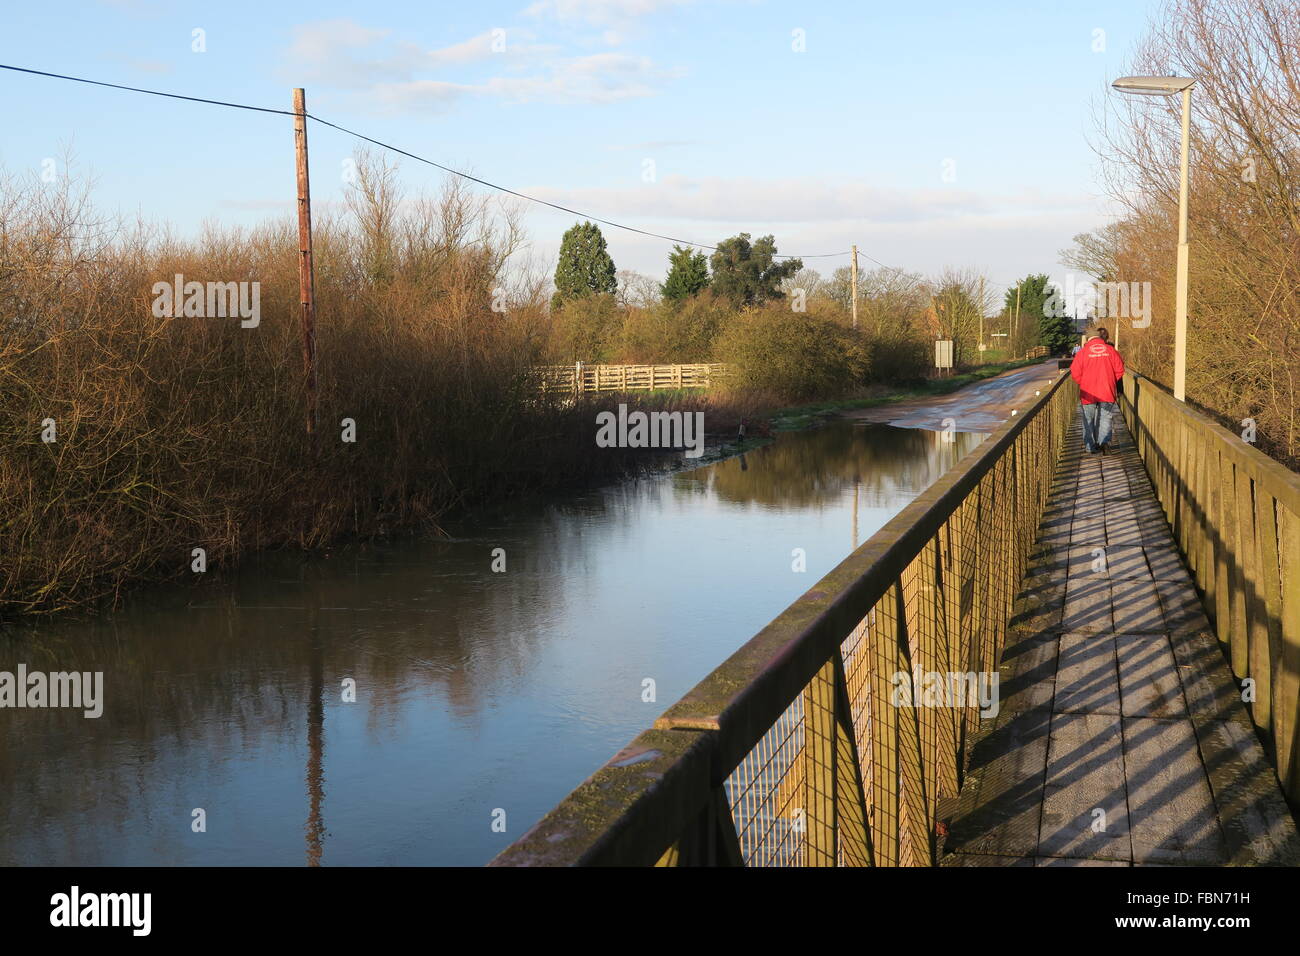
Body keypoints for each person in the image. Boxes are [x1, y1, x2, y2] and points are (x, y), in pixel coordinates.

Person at [1069, 327, 1124, 454]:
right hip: (1107, 390)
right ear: (1099, 338)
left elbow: (1075, 372)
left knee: (1088, 418)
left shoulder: (1082, 353)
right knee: (1105, 417)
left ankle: (1090, 447)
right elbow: (1120, 369)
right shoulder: (1111, 350)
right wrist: (1110, 380)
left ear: (1088, 339)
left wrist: (1083, 382)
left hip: (1088, 392)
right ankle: (1104, 443)